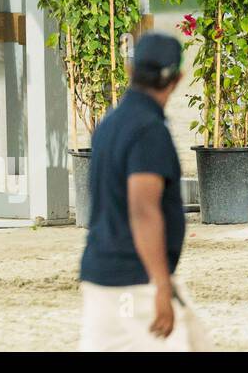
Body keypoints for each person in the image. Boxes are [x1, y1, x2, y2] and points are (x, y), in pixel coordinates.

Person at [79, 33, 212, 351]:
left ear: (129, 70)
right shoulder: (148, 131)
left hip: (106, 273)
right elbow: (143, 211)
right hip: (133, 284)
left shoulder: (110, 123)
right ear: (177, 79)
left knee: (195, 342)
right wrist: (161, 285)